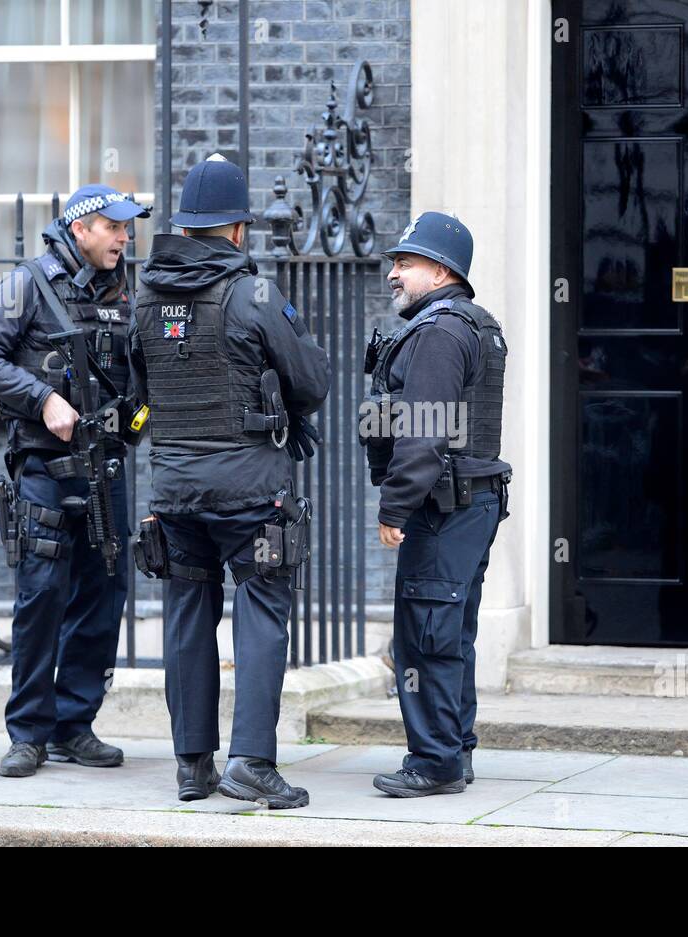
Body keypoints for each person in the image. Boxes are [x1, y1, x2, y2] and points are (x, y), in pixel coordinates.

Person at [128, 155, 330, 807]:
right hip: (251, 493)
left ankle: (193, 765)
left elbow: (135, 392)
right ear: (239, 229)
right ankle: (251, 762)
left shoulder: (146, 298)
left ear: (186, 229)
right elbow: (311, 380)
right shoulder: (255, 293)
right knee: (262, 609)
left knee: (188, 614)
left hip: (174, 493)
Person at [0, 184, 149, 778]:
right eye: (115, 228)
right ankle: (29, 732)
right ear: (81, 228)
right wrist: (42, 399)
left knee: (103, 594)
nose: (125, 237)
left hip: (108, 464)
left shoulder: (125, 290)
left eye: (127, 228)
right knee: (42, 595)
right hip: (45, 468)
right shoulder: (27, 285)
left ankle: (75, 724)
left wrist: (140, 415)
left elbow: (140, 371)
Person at [362, 211, 511, 797]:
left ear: (441, 270)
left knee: (424, 637)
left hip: (444, 508)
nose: (394, 273)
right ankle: (455, 750)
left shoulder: (438, 333)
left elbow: (425, 434)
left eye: (406, 263)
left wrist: (394, 507)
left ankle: (434, 761)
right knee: (449, 633)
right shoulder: (476, 325)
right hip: (470, 502)